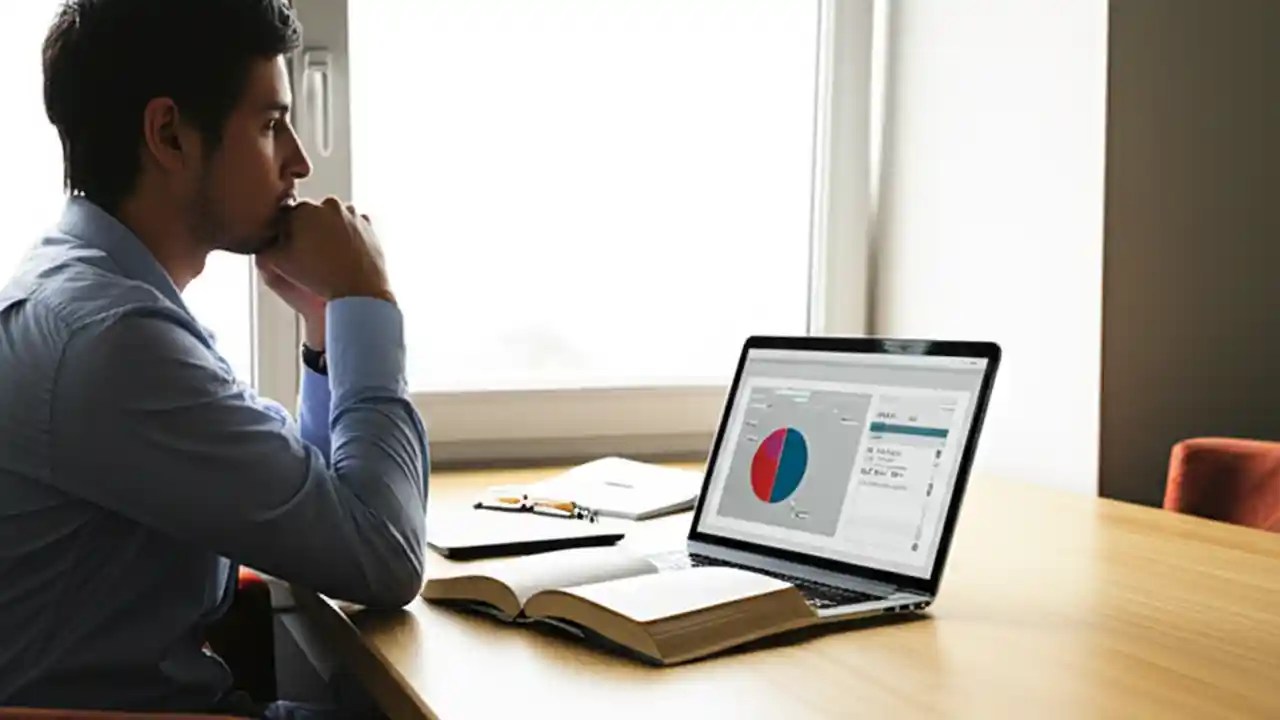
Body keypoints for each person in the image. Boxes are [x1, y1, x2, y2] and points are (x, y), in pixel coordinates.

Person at [0, 0, 428, 716]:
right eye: (269, 125)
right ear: (170, 134)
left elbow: (327, 505)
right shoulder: (113, 343)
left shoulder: (95, 294)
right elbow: (384, 556)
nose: (299, 161)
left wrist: (326, 325)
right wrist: (365, 296)